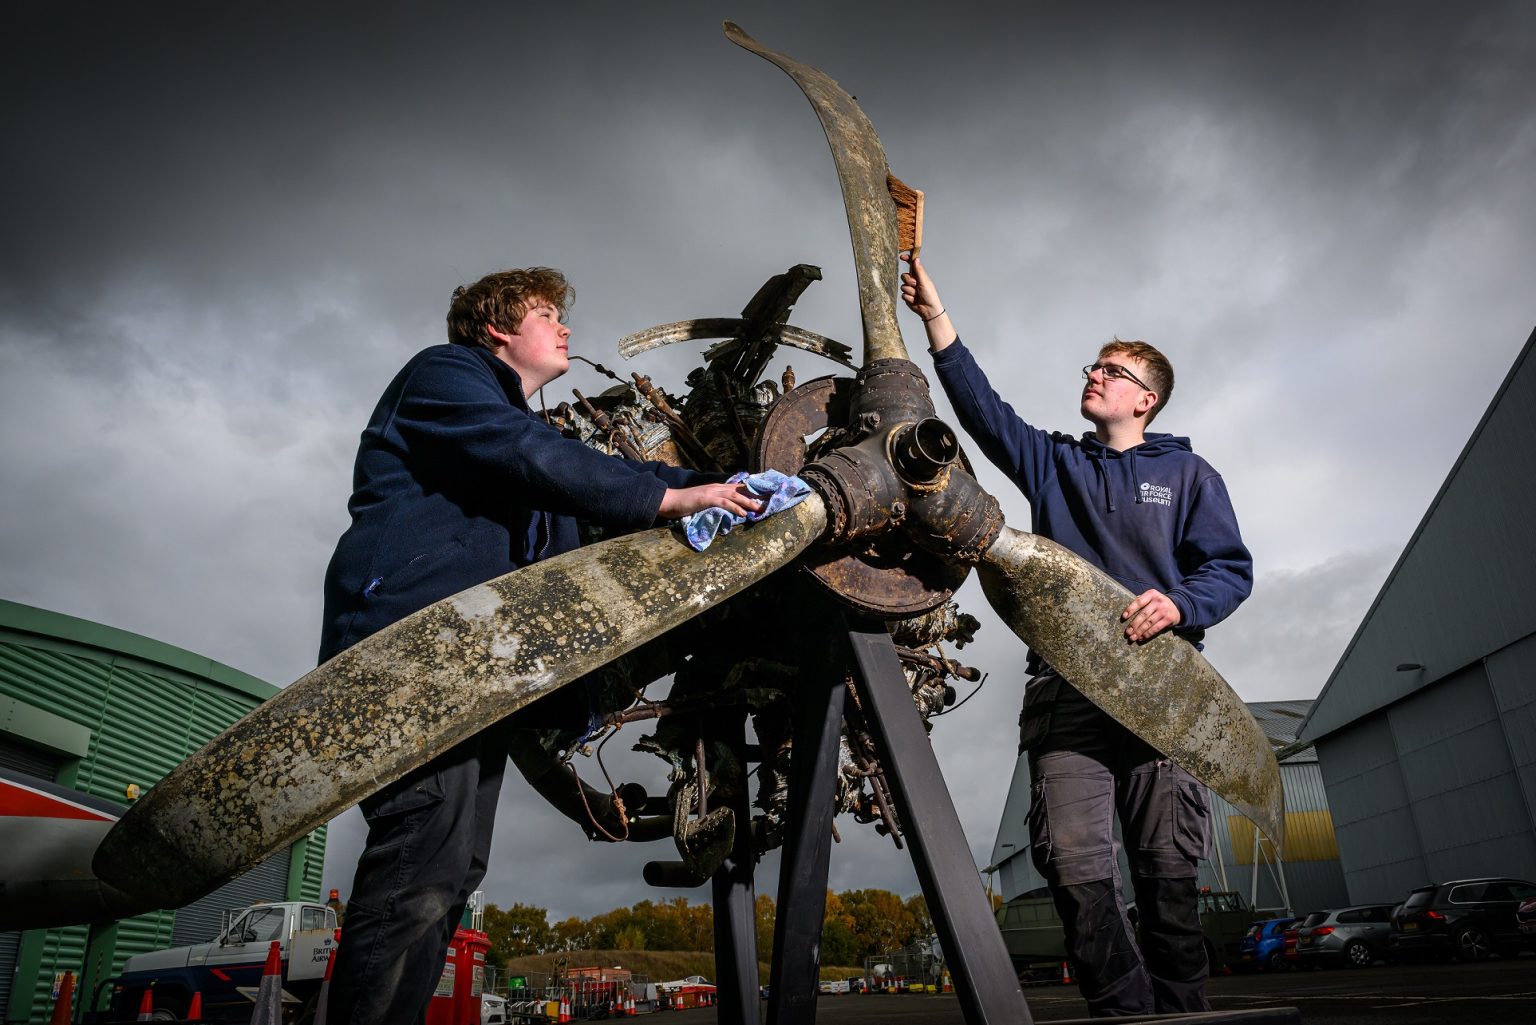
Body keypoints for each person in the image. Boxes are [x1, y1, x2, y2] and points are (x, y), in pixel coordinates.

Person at [319, 267, 759, 1025]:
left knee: (452, 871)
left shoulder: (531, 441)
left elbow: (603, 488)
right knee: (420, 867)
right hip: (413, 657)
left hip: (475, 671)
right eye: (546, 313)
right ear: (496, 328)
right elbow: (532, 454)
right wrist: (670, 497)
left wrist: (733, 489)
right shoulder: (446, 376)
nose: (564, 327)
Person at [900, 255, 1252, 1016]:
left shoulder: (1191, 476)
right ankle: (1125, 1013)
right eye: (1092, 365)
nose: (1094, 375)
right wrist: (936, 318)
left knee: (1169, 875)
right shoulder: (1056, 464)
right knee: (1074, 868)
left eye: (1111, 369)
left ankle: (1183, 1013)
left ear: (1146, 398)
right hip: (1066, 697)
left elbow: (1229, 568)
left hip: (1165, 701)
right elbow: (985, 413)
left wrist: (1181, 605)